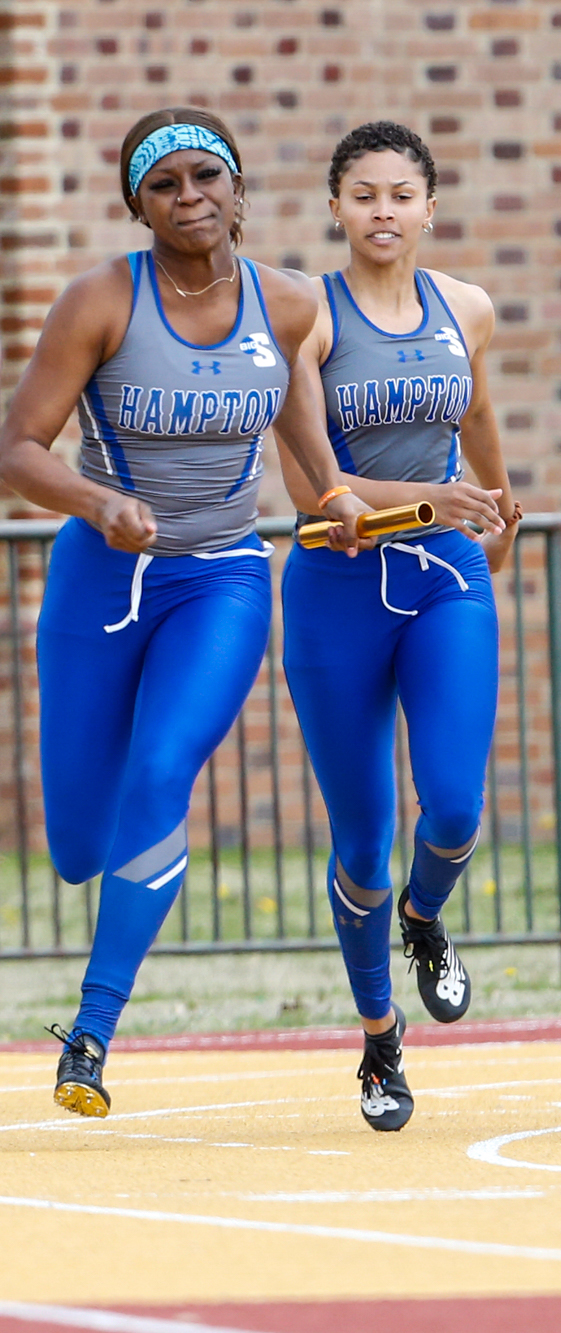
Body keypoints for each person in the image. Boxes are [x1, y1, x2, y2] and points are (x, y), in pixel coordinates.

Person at [0, 108, 368, 1117]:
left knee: (165, 768)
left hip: (220, 577)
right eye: (166, 186)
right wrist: (97, 500)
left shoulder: (286, 305)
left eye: (208, 177)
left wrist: (331, 497)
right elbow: (19, 446)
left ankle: (92, 1031)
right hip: (101, 578)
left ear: (238, 190)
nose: (190, 197)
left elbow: (294, 414)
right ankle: (103, 873)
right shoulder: (99, 302)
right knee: (76, 842)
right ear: (140, 206)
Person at [270, 121, 519, 1132]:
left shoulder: (466, 308)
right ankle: (379, 1042)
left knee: (454, 807)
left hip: (444, 574)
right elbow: (309, 484)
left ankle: (425, 918)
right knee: (363, 840)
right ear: (334, 206)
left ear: (429, 207)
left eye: (399, 194)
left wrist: (498, 502)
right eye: (362, 193)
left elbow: (480, 421)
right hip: (337, 581)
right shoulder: (306, 322)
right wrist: (431, 501)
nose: (381, 210)